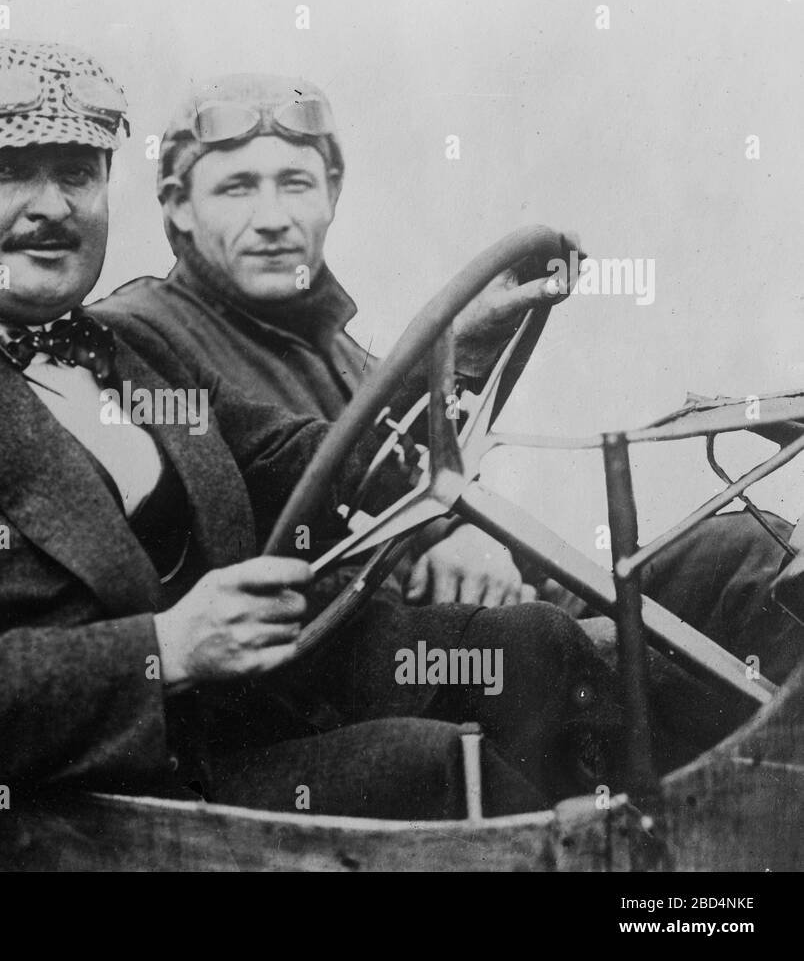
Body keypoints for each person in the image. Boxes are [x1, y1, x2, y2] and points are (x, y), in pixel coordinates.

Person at [0, 40, 610, 822]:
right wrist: (168, 650)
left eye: (78, 172)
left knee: (530, 645)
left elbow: (306, 455)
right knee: (425, 772)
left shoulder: (125, 353)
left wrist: (452, 363)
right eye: (9, 171)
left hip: (257, 702)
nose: (53, 206)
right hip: (87, 794)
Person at [93, 73, 804, 767]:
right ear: (178, 205)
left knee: (746, 554)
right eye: (238, 188)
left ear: (332, 195)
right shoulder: (140, 338)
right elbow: (222, 528)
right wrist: (422, 538)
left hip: (474, 601)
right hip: (339, 660)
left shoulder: (340, 347)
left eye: (297, 183)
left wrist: (460, 523)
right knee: (612, 658)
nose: (274, 216)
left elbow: (414, 474)